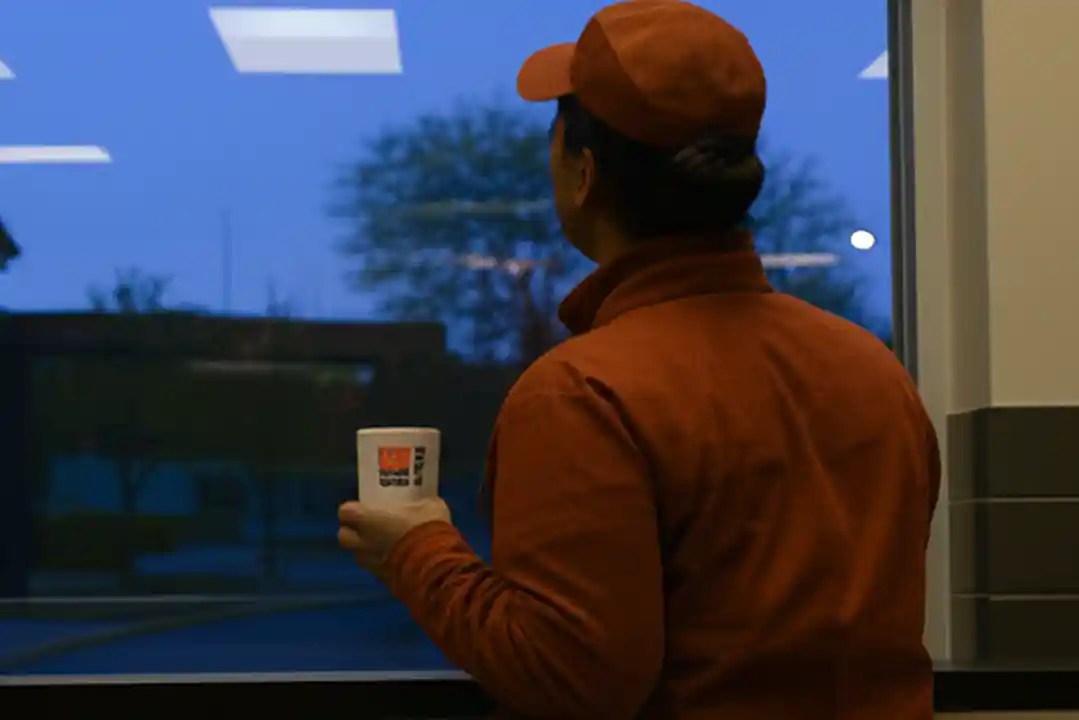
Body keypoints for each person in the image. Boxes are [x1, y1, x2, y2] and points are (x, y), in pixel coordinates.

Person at [337, 1, 940, 718]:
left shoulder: (584, 393)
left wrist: (418, 550)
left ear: (584, 173)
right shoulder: (871, 369)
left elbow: (572, 678)